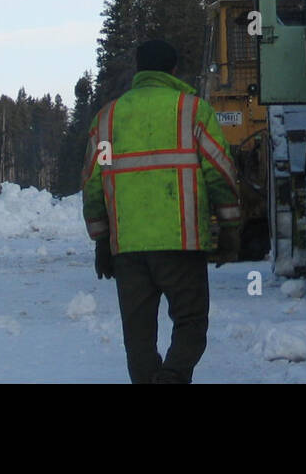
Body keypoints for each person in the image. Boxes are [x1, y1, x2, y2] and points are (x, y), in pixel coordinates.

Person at [82, 39, 241, 383]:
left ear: (139, 71)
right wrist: (229, 226)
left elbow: (94, 184)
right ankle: (172, 376)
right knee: (191, 323)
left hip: (128, 249)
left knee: (138, 337)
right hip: (182, 244)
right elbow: (220, 171)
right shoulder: (192, 110)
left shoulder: (107, 119)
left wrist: (101, 240)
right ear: (173, 71)